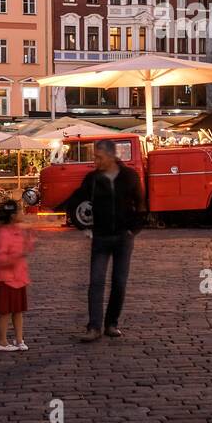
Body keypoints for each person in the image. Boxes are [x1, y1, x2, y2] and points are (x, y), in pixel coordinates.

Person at [64, 139, 145, 342]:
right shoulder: (92, 178)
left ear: (110, 156)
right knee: (96, 282)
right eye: (95, 156)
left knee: (119, 282)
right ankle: (94, 327)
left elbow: (141, 203)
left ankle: (111, 324)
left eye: (98, 157)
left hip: (123, 237)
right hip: (100, 236)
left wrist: (133, 229)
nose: (95, 161)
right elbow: (76, 199)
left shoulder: (129, 177)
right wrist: (84, 227)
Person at [0, 199, 35, 352]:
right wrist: (15, 257)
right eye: (20, 211)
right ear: (12, 215)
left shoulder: (18, 230)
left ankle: (19, 339)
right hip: (6, 278)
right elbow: (0, 258)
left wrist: (29, 234)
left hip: (19, 277)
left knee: (18, 311)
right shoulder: (4, 233)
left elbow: (28, 248)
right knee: (5, 312)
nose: (22, 213)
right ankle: (2, 341)